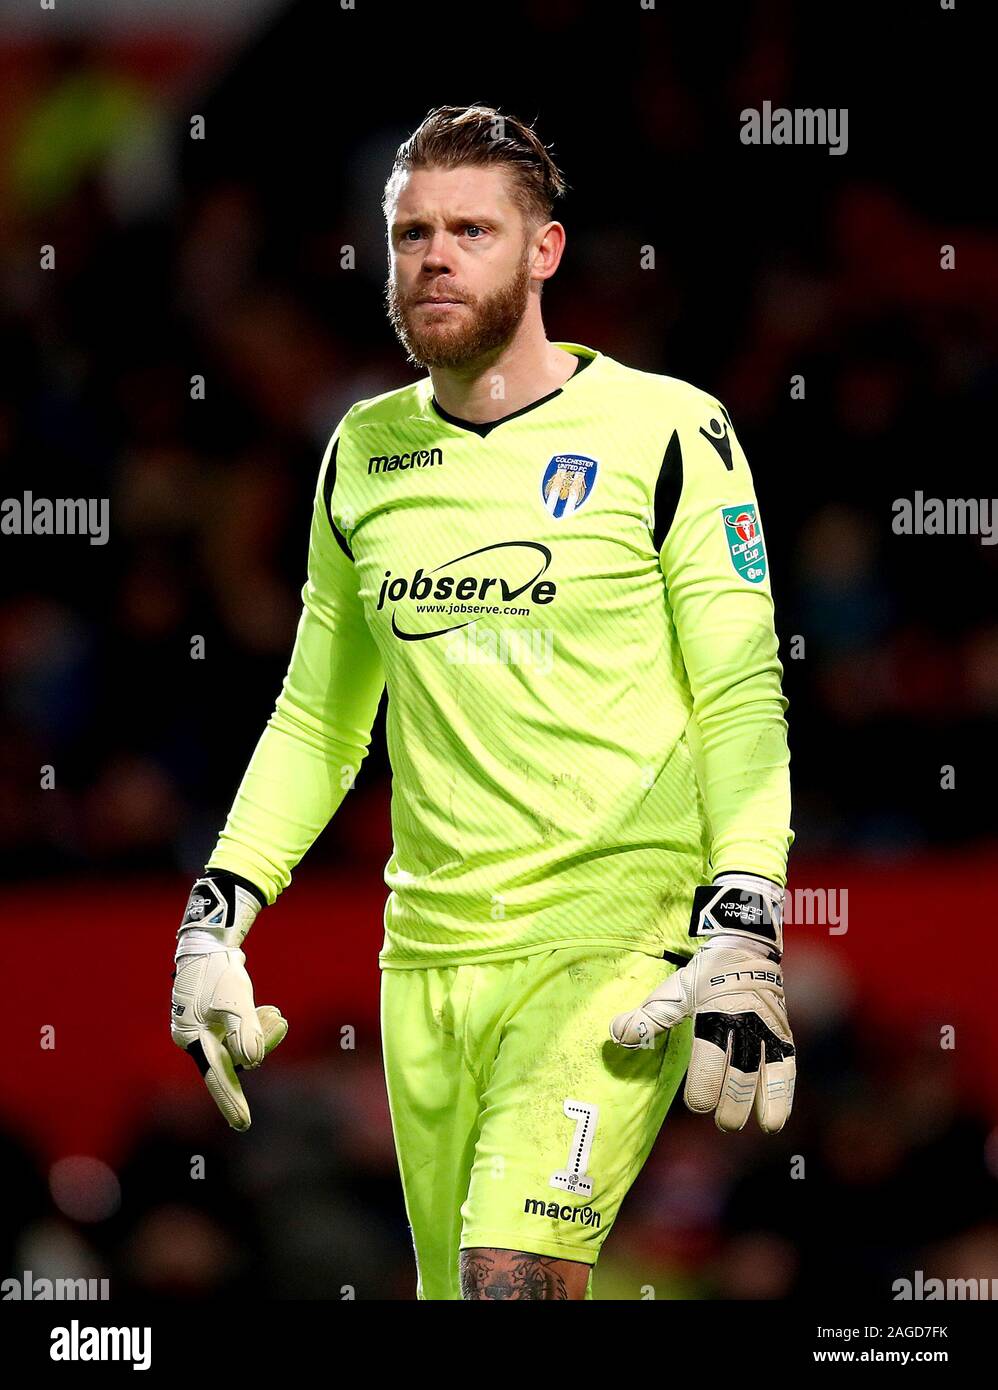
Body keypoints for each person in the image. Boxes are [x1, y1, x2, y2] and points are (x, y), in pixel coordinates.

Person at [170, 104, 796, 1301]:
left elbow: (737, 691)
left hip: (614, 938)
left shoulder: (668, 429)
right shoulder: (362, 449)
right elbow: (317, 715)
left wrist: (744, 911)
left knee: (510, 1272)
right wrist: (216, 915)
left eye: (470, 230)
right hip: (430, 957)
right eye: (411, 234)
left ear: (543, 252)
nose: (434, 258)